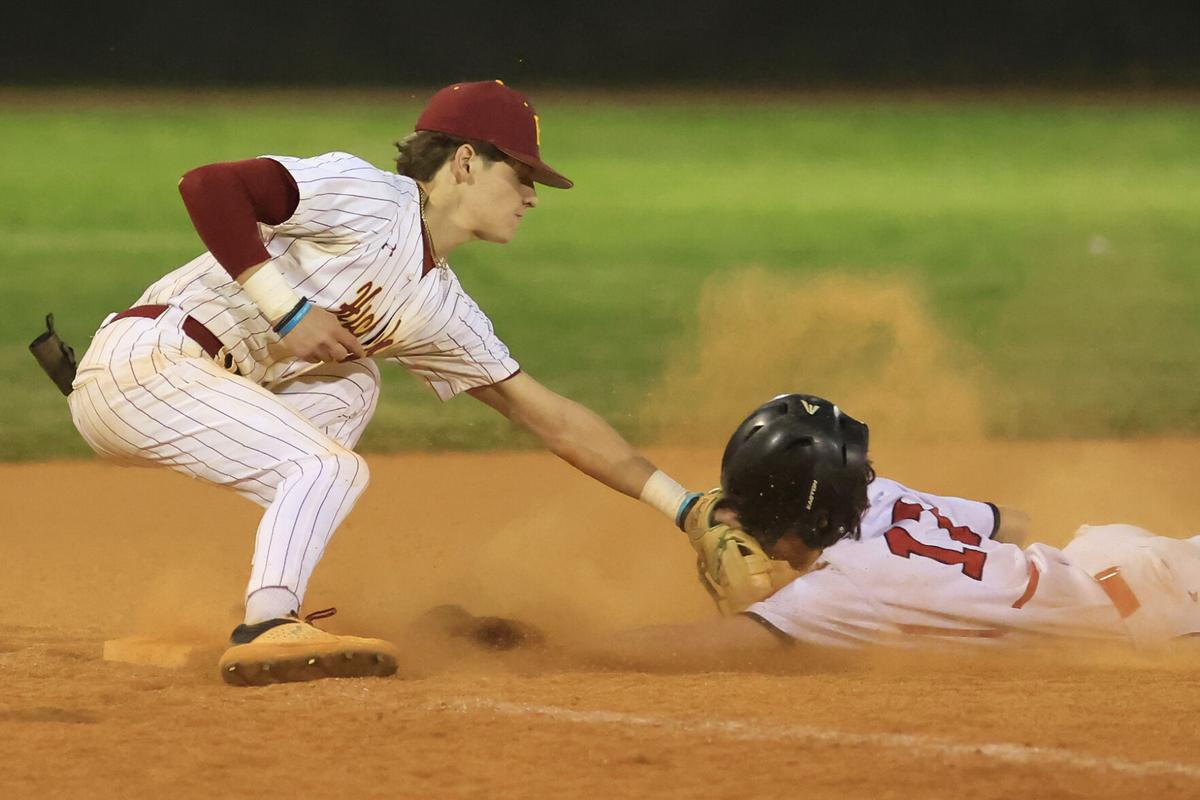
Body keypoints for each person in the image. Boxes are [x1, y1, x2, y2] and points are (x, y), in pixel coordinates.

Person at [65, 80, 702, 687]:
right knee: (331, 470)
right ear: (464, 163)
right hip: (147, 362)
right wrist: (284, 307)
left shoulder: (440, 306)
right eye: (522, 174)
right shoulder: (368, 196)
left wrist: (687, 507)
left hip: (194, 391)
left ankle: (266, 597)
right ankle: (267, 622)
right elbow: (208, 185)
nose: (532, 196)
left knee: (355, 379)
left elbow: (550, 417)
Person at [437, 393, 1200, 670]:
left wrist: (541, 646)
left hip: (1155, 623)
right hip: (1117, 558)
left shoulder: (849, 593)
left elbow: (699, 649)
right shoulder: (877, 493)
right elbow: (1013, 525)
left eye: (758, 517)